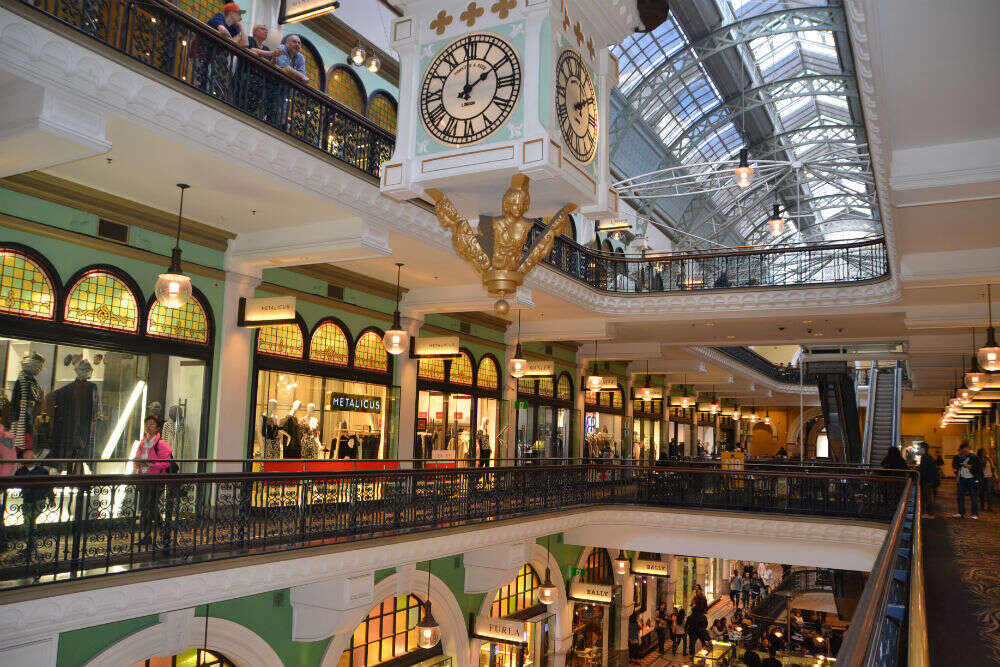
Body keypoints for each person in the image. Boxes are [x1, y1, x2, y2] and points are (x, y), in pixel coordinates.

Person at [135, 415, 173, 547]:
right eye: (147, 424)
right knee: (147, 508)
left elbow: (166, 463)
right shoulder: (142, 442)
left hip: (156, 479)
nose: (148, 426)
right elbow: (137, 458)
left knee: (150, 507)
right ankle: (150, 535)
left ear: (157, 428)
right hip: (144, 478)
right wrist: (138, 464)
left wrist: (152, 465)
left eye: (151, 424)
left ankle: (161, 532)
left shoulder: (161, 444)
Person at [14, 449, 52, 573]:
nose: (32, 456)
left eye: (32, 454)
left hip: (38, 500)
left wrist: (51, 498)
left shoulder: (42, 471)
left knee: (29, 521)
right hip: (28, 501)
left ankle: (30, 547)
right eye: (28, 455)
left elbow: (48, 485)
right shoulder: (20, 472)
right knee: (28, 522)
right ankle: (31, 546)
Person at [952, 443, 982, 519]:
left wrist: (970, 467)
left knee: (973, 497)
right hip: (962, 479)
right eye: (963, 451)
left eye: (965, 451)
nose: (964, 452)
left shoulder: (974, 457)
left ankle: (975, 514)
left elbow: (979, 468)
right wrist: (956, 471)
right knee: (960, 496)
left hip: (972, 479)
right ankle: (961, 513)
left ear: (968, 449)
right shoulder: (959, 457)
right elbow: (955, 466)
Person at [917, 443, 940, 518]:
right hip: (931, 480)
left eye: (919, 448)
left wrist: (917, 472)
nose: (918, 450)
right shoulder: (927, 456)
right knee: (928, 496)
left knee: (927, 496)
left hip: (928, 480)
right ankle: (929, 513)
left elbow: (923, 470)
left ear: (923, 449)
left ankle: (929, 513)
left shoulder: (925, 457)